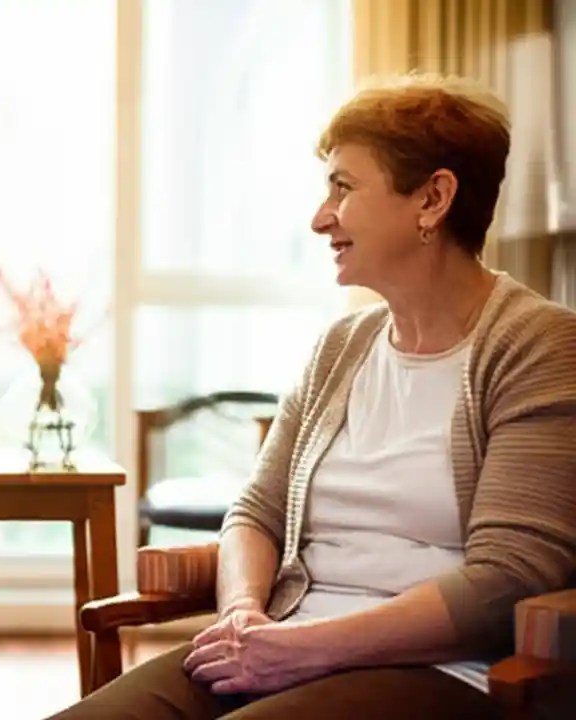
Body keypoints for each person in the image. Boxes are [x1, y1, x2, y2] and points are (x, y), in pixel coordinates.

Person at [48, 74, 576, 719]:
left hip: (433, 673)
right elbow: (256, 513)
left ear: (433, 199)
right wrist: (244, 612)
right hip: (278, 645)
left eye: (344, 188)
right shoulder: (341, 348)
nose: (321, 217)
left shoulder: (541, 348)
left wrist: (308, 649)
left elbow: (507, 582)